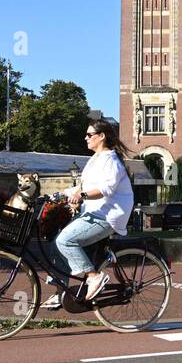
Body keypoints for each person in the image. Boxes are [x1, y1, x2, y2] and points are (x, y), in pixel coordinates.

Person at [44, 118, 135, 309]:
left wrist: (82, 195)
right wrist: (57, 195)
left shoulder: (110, 160)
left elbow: (107, 188)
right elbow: (82, 187)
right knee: (56, 244)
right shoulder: (95, 160)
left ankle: (94, 277)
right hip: (93, 214)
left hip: (108, 216)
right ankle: (61, 293)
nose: (85, 138)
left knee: (65, 241)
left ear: (101, 137)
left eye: (89, 134)